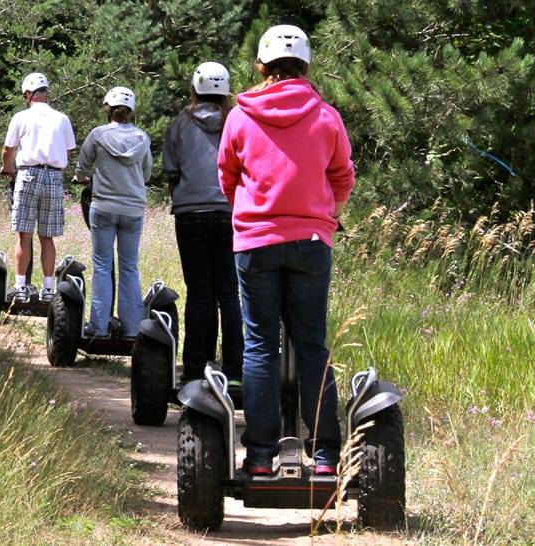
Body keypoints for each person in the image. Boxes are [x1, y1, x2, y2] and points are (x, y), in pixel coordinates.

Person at [217, 25, 355, 477]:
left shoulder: (240, 115)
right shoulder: (326, 116)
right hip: (312, 242)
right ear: (307, 65)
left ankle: (259, 456)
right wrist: (323, 215)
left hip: (256, 242)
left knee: (259, 347)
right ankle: (324, 458)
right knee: (312, 345)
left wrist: (255, 210)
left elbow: (227, 177)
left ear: (261, 65)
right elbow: (343, 177)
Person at [163, 61, 243, 383]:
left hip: (190, 215)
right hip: (229, 213)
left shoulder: (179, 124)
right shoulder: (237, 121)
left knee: (199, 293)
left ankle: (196, 370)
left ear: (194, 89)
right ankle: (236, 371)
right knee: (230, 292)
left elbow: (172, 173)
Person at [75, 87, 152, 338]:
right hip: (133, 209)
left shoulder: (98, 135)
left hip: (104, 207)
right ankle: (131, 328)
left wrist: (82, 178)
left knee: (102, 265)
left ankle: (98, 327)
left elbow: (83, 167)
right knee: (130, 266)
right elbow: (147, 173)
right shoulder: (142, 138)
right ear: (131, 111)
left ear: (108, 108)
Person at [0, 72, 77, 302]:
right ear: (45, 93)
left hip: (28, 174)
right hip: (54, 177)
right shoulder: (62, 118)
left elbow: (8, 150)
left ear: (29, 94)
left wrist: (7, 168)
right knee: (47, 236)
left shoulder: (21, 117)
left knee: (24, 234)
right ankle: (48, 289)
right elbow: (68, 152)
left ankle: (21, 287)